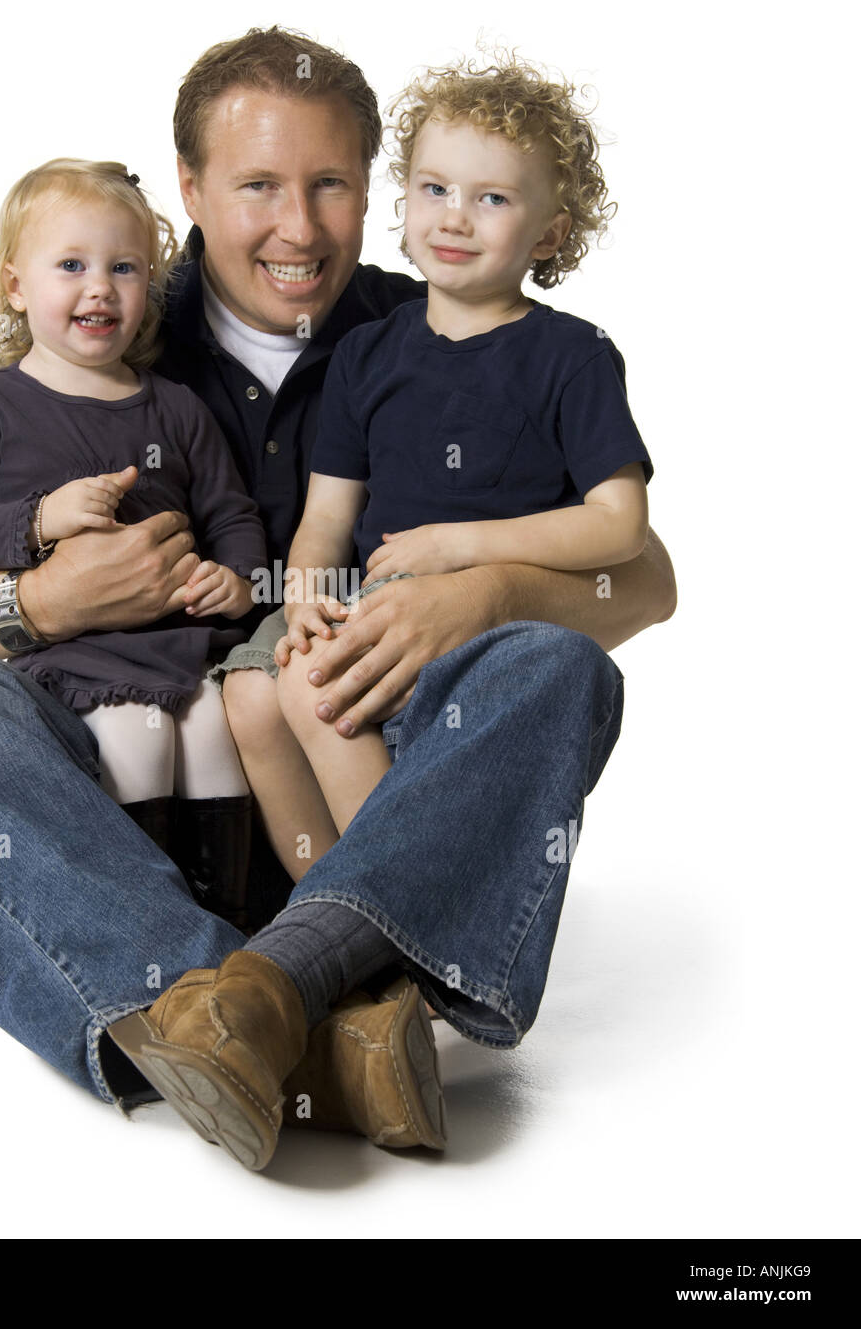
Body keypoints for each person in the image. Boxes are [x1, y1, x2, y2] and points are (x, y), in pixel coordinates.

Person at [0, 28, 677, 1173]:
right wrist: (40, 602)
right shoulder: (107, 327)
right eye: (257, 187)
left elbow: (641, 577)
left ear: (373, 190)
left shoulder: (432, 320)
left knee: (561, 667)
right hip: (128, 815)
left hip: (361, 773)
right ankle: (308, 1007)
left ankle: (249, 1004)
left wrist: (482, 592)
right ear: (188, 190)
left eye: (329, 184)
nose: (297, 228)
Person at [228, 56, 652, 881]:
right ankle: (333, 913)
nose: (454, 217)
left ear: (549, 233)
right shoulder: (363, 354)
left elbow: (620, 525)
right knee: (251, 695)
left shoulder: (570, 355)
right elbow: (324, 519)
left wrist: (459, 547)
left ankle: (393, 916)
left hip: (487, 617)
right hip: (363, 598)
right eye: (433, 189)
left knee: (316, 691)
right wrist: (308, 597)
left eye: (490, 198)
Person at [0, 158, 265, 924]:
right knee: (138, 738)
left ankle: (230, 939)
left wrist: (237, 579)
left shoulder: (174, 408)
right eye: (70, 265)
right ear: (16, 286)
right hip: (74, 655)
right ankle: (147, 934)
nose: (99, 287)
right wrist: (38, 519)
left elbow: (230, 513)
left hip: (179, 646)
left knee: (214, 728)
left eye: (124, 268)